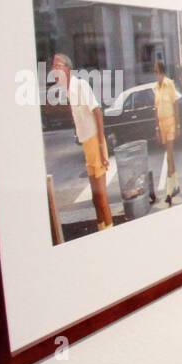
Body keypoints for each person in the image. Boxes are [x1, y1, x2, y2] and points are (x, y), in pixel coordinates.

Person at [53, 53, 113, 232]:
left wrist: (102, 148)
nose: (54, 69)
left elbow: (97, 112)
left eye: (57, 65)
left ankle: (111, 233)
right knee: (96, 198)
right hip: (88, 145)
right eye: (53, 66)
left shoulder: (80, 85)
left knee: (101, 197)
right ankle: (102, 228)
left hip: (95, 142)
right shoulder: (69, 91)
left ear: (67, 68)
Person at [152, 59, 182, 208]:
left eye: (157, 71)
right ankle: (176, 185)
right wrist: (157, 129)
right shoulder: (155, 88)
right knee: (170, 156)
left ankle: (169, 192)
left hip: (171, 123)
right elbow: (156, 110)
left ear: (162, 72)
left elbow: (175, 105)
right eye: (154, 72)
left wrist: (177, 125)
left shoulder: (169, 84)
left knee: (169, 156)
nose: (156, 74)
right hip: (162, 125)